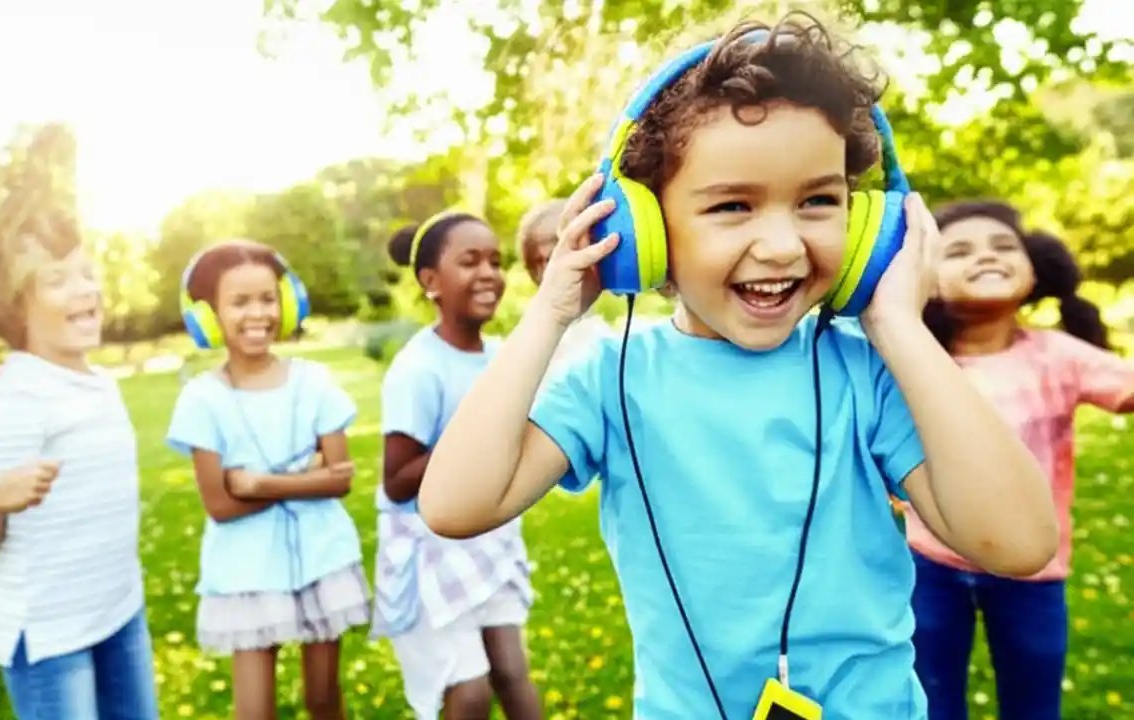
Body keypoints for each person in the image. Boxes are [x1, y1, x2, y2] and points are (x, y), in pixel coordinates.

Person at [413, 13, 1058, 720]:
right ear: (641, 233)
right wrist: (550, 313)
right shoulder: (611, 382)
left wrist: (898, 325)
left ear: (869, 222)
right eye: (732, 205)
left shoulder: (865, 376)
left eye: (818, 200)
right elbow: (454, 505)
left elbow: (1021, 543)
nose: (782, 245)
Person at [908, 200, 1134, 720]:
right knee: (930, 699)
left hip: (1034, 571)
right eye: (958, 251)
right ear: (926, 278)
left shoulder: (1058, 356)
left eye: (1003, 246)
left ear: (1036, 270)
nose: (985, 257)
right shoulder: (914, 358)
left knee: (1033, 702)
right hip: (930, 562)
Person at [0, 211, 158, 719]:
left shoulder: (101, 383)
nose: (85, 289)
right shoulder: (13, 396)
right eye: (57, 280)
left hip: (119, 609)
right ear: (18, 306)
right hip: (50, 636)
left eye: (87, 273)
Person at [165, 239, 369, 720]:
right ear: (209, 316)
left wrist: (257, 484)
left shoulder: (315, 381)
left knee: (324, 698)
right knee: (255, 711)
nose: (258, 313)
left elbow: (339, 479)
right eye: (239, 302)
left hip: (323, 559)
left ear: (288, 301)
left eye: (267, 298)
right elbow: (219, 504)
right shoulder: (202, 399)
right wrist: (305, 476)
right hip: (247, 573)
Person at [372, 212, 541, 719]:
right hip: (430, 555)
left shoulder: (501, 355)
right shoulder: (418, 369)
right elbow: (398, 482)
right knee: (468, 694)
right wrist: (471, 441)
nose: (489, 273)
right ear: (430, 282)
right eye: (470, 261)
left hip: (488, 539)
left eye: (495, 260)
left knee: (512, 673)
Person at [518, 199, 615, 374]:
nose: (547, 271)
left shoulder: (604, 340)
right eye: (536, 262)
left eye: (554, 254)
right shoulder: (528, 338)